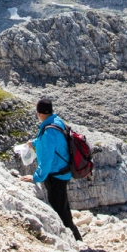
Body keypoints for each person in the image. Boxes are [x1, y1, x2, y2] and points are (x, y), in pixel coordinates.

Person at [32, 98, 84, 242]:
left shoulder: (48, 131)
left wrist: (36, 177)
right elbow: (55, 142)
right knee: (63, 205)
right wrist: (34, 143)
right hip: (63, 170)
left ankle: (74, 240)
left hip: (56, 175)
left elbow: (47, 159)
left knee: (59, 208)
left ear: (40, 113)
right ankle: (75, 236)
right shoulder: (56, 121)